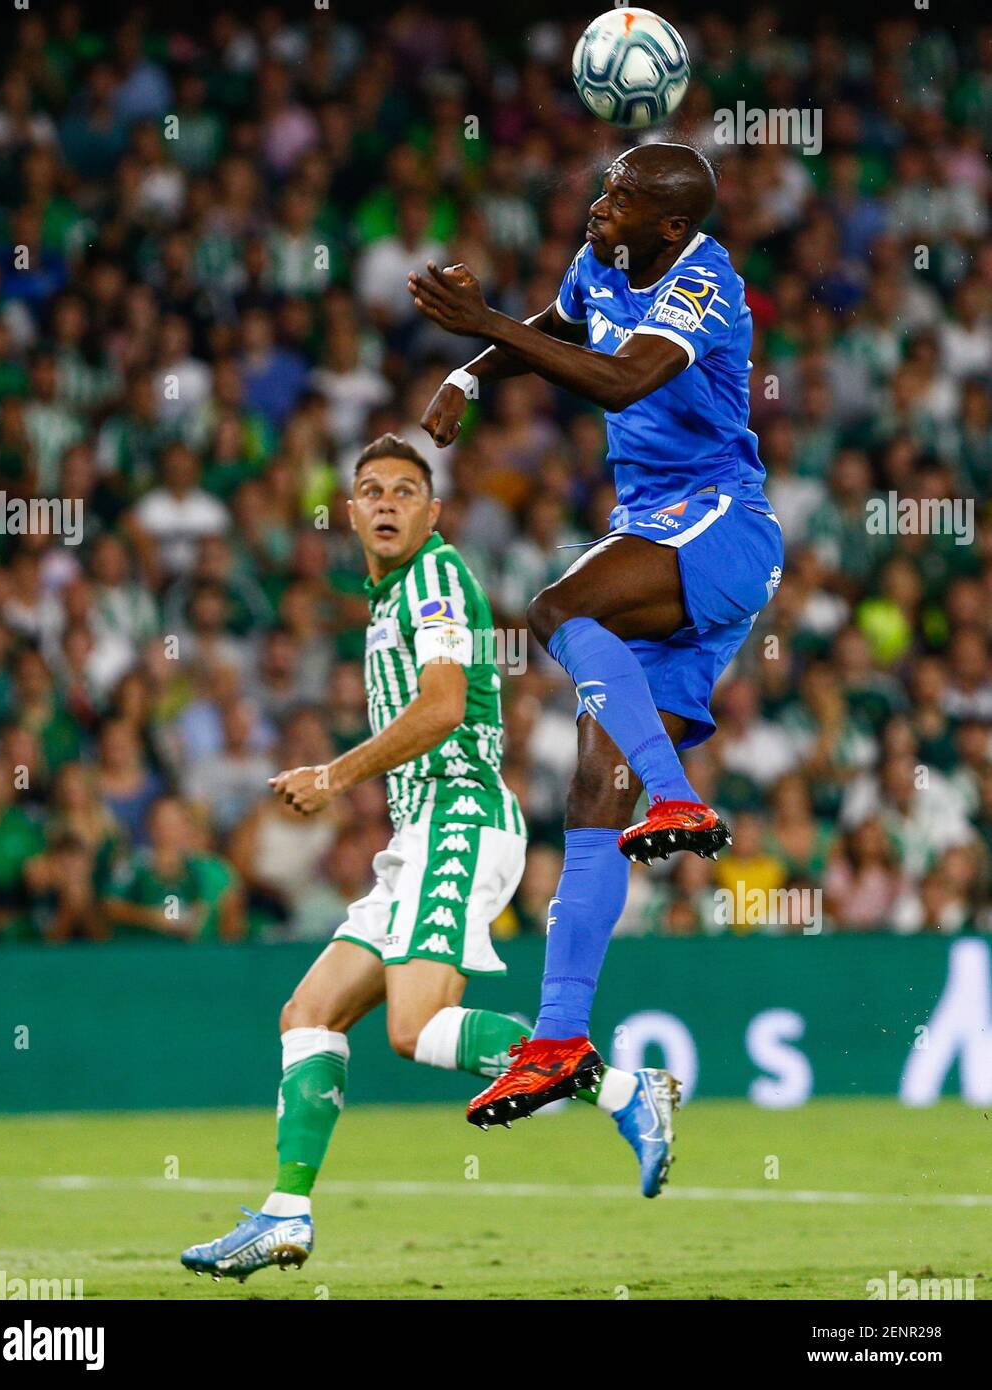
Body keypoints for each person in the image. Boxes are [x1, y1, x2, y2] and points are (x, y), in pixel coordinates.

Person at [181, 434, 675, 1284]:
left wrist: (333, 776)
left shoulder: (437, 578)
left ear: (433, 511)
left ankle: (628, 1093)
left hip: (461, 817)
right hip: (413, 837)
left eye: (404, 491)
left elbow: (443, 707)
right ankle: (285, 1215)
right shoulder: (386, 598)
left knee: (414, 1029)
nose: (383, 503)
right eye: (369, 490)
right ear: (348, 510)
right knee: (309, 1014)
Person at [410, 144, 783, 1125]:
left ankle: (677, 798)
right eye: (605, 185)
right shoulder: (604, 264)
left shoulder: (703, 282)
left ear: (669, 225)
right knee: (588, 796)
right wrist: (473, 371)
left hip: (719, 523)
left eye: (620, 196)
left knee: (553, 610)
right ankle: (561, 1039)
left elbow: (619, 381)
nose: (598, 202)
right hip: (652, 532)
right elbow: (559, 324)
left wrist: (480, 322)